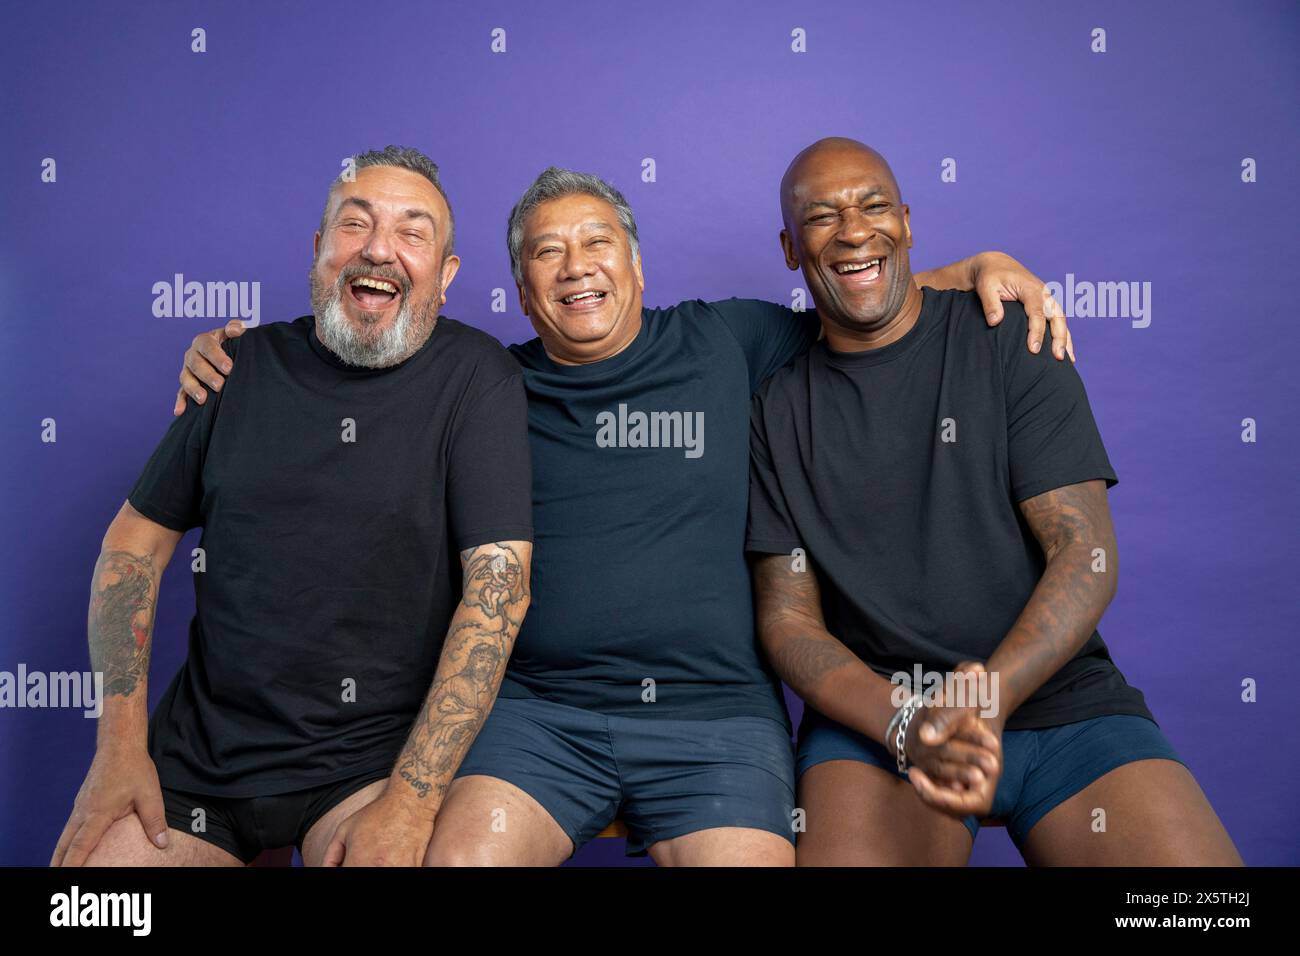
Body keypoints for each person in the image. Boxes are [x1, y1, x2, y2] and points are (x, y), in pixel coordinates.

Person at [175, 163, 1071, 866]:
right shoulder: (483, 383)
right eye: (546, 252)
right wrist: (234, 357)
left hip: (715, 716)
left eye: (597, 242)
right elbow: (356, 351)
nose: (577, 267)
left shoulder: (727, 341)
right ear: (522, 292)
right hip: (537, 714)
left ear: (636, 265)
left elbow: (867, 302)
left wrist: (977, 269)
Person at [747, 137, 1242, 865]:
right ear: (791, 248)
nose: (854, 230)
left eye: (874, 206)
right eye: (823, 217)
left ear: (908, 223)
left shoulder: (1008, 335)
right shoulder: (776, 407)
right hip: (880, 717)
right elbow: (788, 619)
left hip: (1057, 697)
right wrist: (907, 721)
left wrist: (985, 700)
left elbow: (1086, 550)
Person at [52, 147, 534, 868]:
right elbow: (132, 545)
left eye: (413, 231)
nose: (378, 248)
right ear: (318, 250)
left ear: (448, 273)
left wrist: (413, 800)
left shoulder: (477, 378)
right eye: (355, 224)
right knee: (89, 912)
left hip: (368, 767)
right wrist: (120, 750)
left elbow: (498, 590)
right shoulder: (234, 367)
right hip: (200, 763)